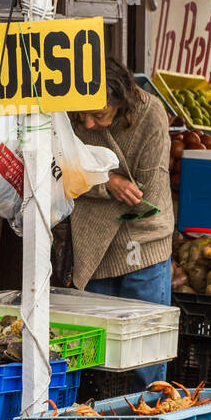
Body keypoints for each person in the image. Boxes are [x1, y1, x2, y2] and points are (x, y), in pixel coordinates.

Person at [69, 58, 175, 389]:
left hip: (144, 243)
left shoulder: (151, 115)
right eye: (81, 114)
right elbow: (58, 168)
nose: (86, 124)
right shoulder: (72, 118)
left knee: (145, 347)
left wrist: (90, 180)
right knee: (98, 351)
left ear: (122, 100)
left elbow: (145, 197)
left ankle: (151, 416)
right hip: (93, 242)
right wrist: (109, 183)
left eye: (98, 115)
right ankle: (101, 416)